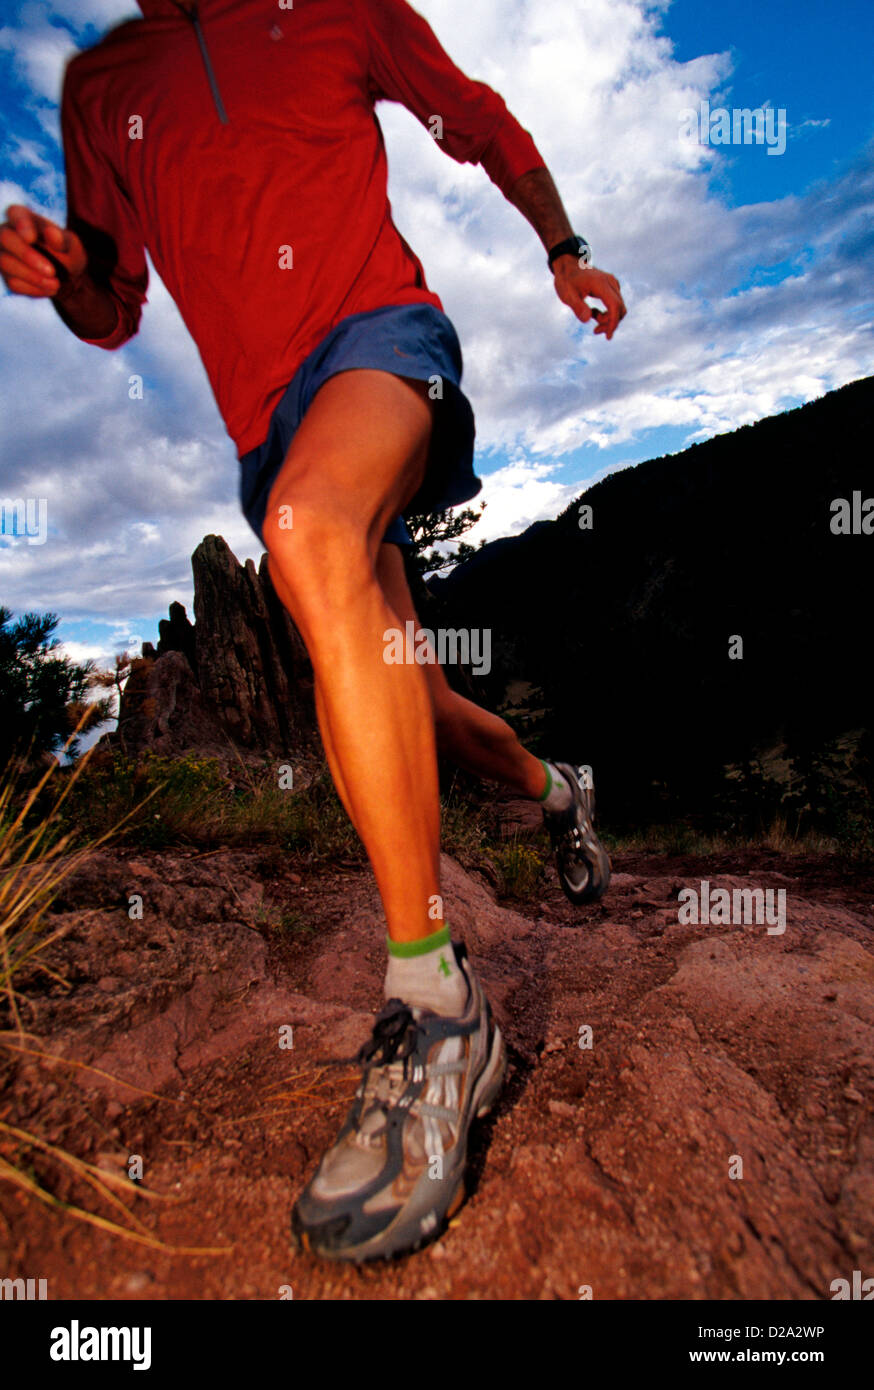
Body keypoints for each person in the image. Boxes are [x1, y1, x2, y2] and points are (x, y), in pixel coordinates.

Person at [1, 0, 626, 1262]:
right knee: (404, 688)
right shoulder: (102, 87)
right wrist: (69, 276)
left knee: (304, 529)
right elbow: (115, 308)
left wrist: (563, 246)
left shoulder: (338, 9)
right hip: (271, 422)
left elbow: (479, 119)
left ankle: (437, 1000)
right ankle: (559, 790)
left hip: (383, 343)